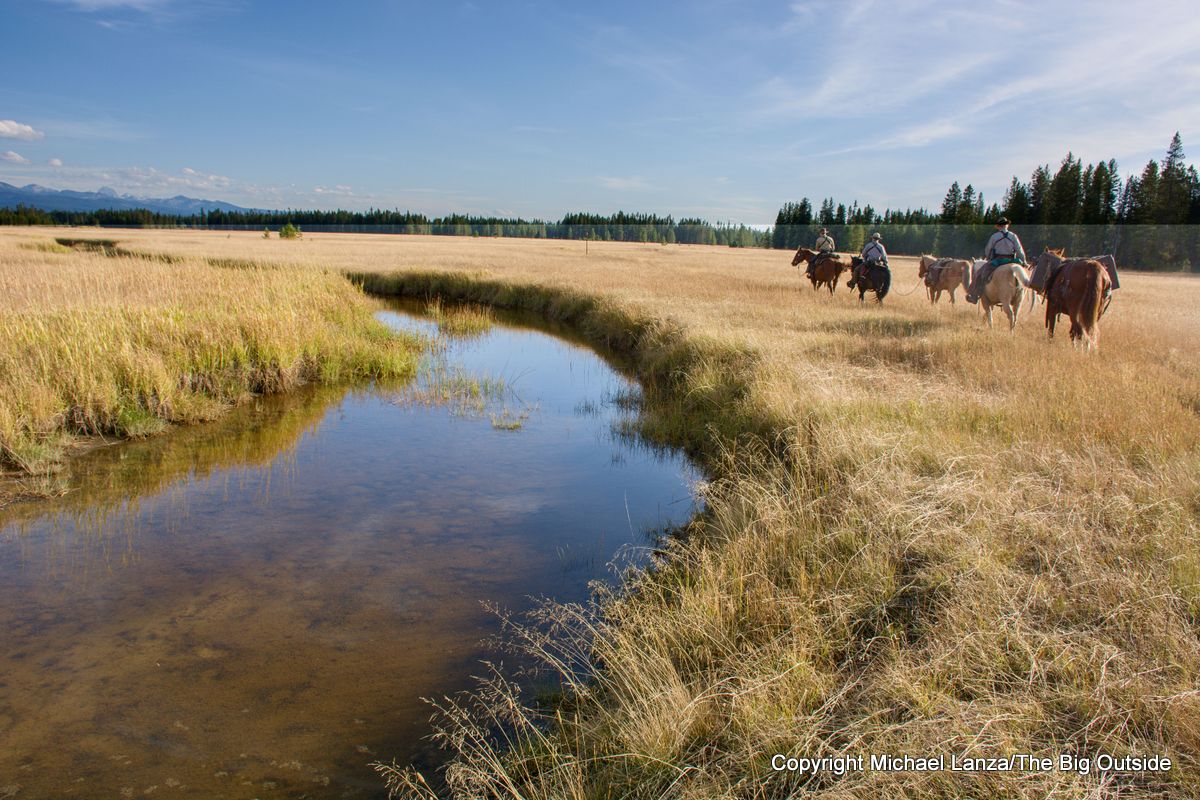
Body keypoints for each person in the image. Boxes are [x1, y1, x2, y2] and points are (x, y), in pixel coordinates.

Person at [968, 217, 1026, 303]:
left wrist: (988, 258)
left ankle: (974, 296)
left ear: (998, 226)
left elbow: (988, 249)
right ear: (1007, 225)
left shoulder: (994, 236)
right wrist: (1023, 261)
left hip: (998, 260)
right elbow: (1019, 250)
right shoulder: (1013, 236)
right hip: (1013, 260)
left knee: (979, 274)